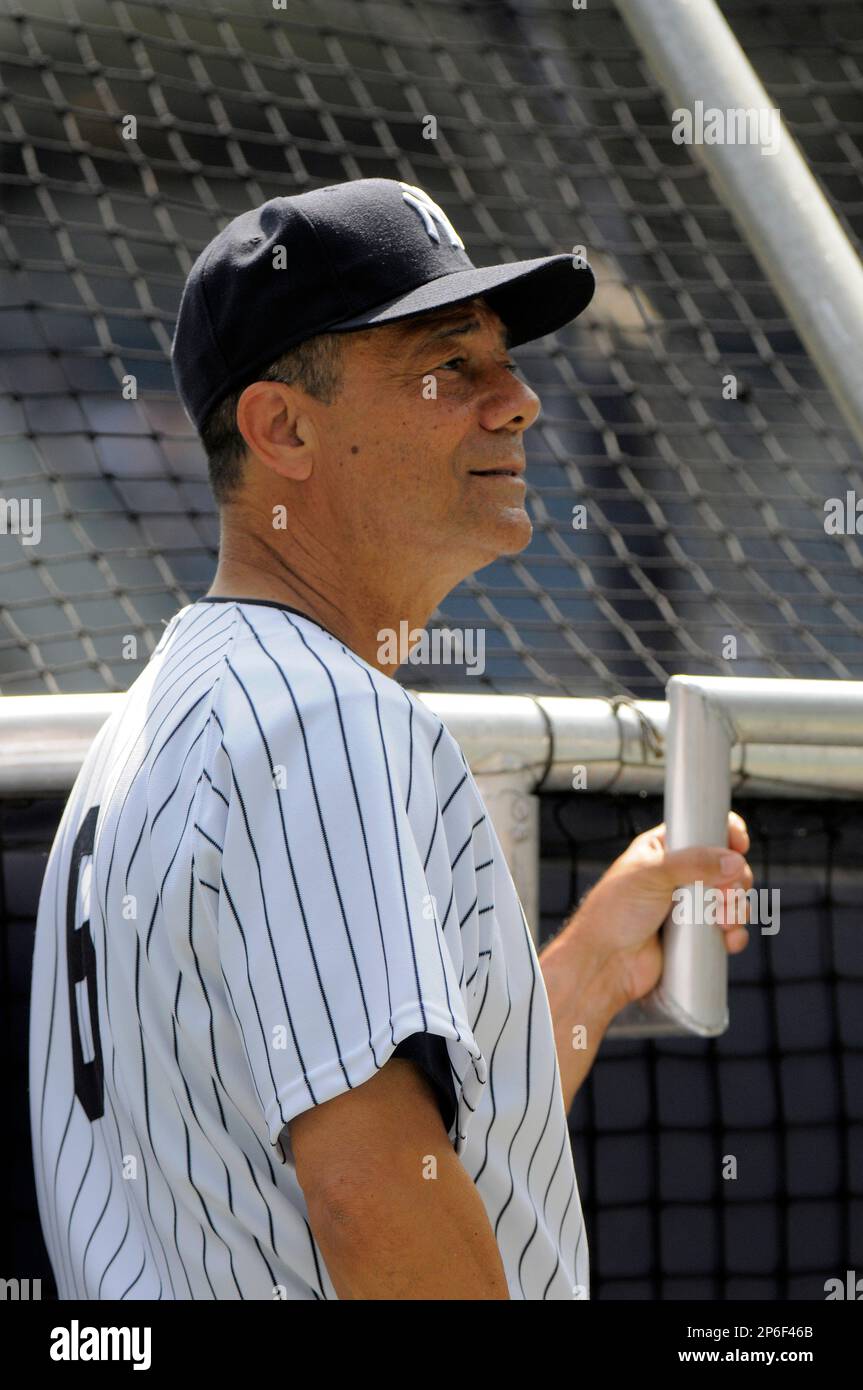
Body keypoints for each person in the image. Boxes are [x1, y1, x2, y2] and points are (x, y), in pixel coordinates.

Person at [30, 179, 752, 1300]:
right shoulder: (322, 722)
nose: (516, 402)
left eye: (503, 361)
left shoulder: (162, 719)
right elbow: (372, 1202)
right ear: (283, 427)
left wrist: (590, 971)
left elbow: (388, 1148)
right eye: (448, 365)